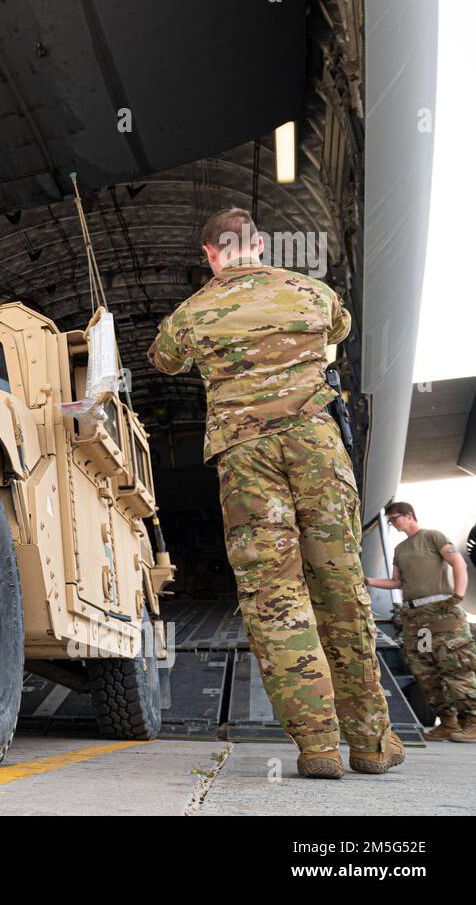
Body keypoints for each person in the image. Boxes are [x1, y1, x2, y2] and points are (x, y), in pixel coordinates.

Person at [148, 207, 401, 779]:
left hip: (245, 460)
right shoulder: (311, 292)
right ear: (259, 244)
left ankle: (317, 749)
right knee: (340, 588)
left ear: (209, 254)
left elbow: (163, 359)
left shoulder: (195, 312)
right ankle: (371, 744)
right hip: (316, 445)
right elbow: (339, 330)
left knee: (275, 599)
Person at [365, 502, 476, 741]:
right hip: (417, 621)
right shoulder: (401, 549)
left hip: (442, 615)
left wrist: (458, 595)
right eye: (391, 521)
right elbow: (396, 582)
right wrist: (367, 580)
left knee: (456, 665)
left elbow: (458, 563)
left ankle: (474, 720)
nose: (393, 524)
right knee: (424, 669)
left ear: (409, 515)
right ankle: (448, 722)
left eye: (395, 519)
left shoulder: (433, 537)